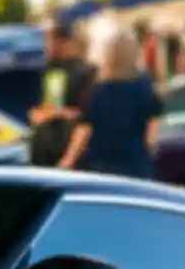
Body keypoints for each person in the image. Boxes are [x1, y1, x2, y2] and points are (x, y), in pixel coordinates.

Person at [59, 31, 161, 179]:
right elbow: (153, 130)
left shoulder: (97, 90)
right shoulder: (144, 87)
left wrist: (67, 161)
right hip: (135, 164)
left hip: (101, 164)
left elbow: (84, 129)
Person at [28, 24, 94, 169]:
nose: (46, 47)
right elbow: (35, 114)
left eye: (49, 41)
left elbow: (84, 122)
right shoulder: (46, 71)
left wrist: (68, 160)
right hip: (42, 153)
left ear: (64, 42)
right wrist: (59, 112)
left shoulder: (84, 73)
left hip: (68, 154)